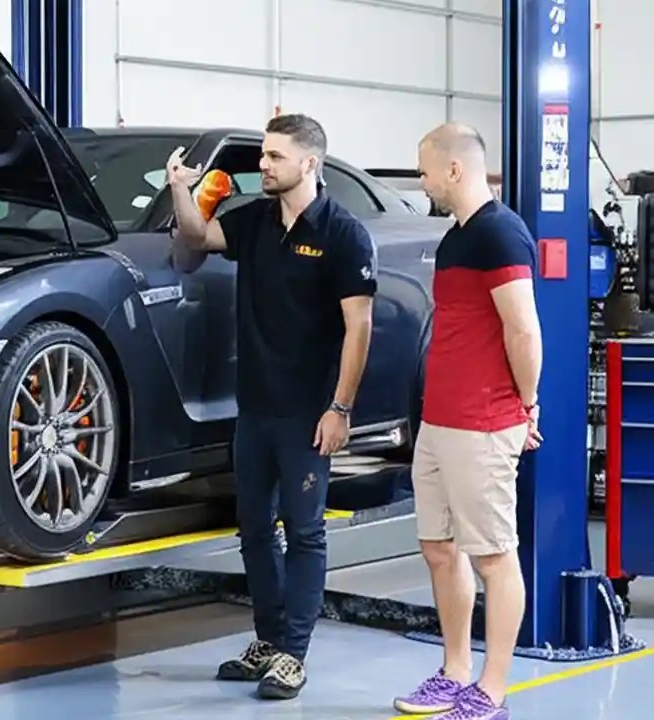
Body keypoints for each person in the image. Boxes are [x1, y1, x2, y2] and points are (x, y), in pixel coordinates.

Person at [167, 113, 377, 701]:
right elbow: (196, 240)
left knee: (304, 531)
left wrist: (340, 407)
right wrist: (182, 190)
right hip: (254, 406)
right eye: (263, 155)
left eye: (275, 157)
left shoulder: (341, 233)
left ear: (309, 163)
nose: (263, 165)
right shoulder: (255, 221)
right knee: (255, 530)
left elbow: (358, 327)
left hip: (308, 412)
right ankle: (268, 638)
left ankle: (293, 653)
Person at [392, 123, 543, 720]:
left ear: (455, 170)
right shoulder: (456, 238)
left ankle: (492, 690)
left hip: (482, 422)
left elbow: (523, 328)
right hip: (440, 421)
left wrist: (525, 404)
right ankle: (455, 671)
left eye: (426, 169)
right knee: (437, 547)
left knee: (493, 557)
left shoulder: (501, 235)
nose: (422, 180)